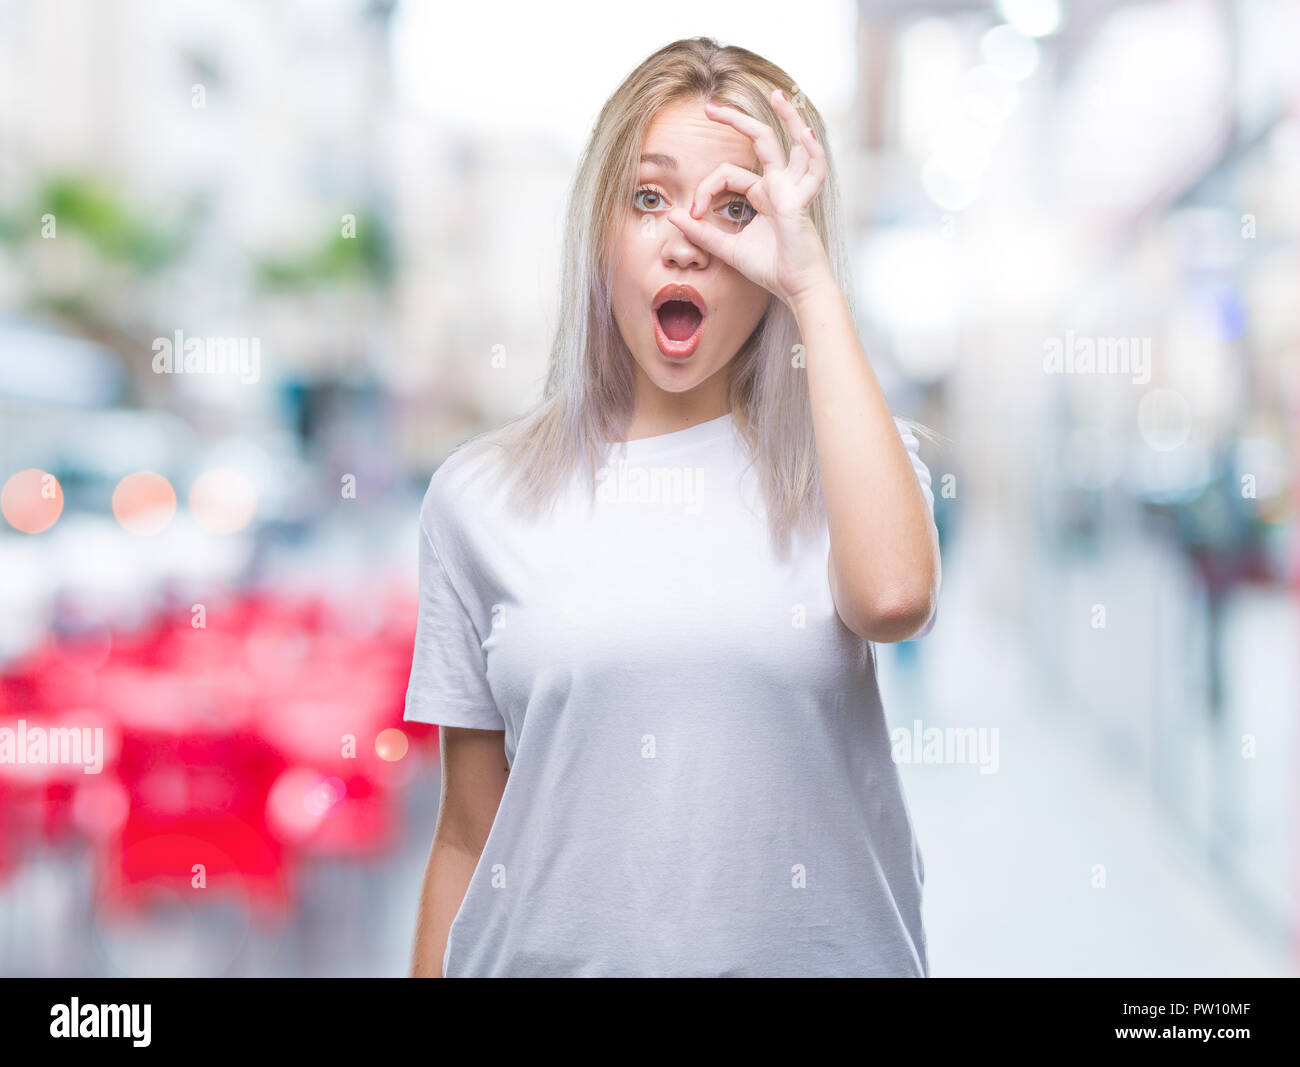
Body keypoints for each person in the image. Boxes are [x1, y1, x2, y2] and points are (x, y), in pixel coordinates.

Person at [405, 36, 941, 978]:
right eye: (648, 197)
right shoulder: (477, 498)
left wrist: (811, 282)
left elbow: (894, 596)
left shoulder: (843, 464)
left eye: (737, 207)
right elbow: (465, 835)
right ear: (600, 232)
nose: (689, 237)